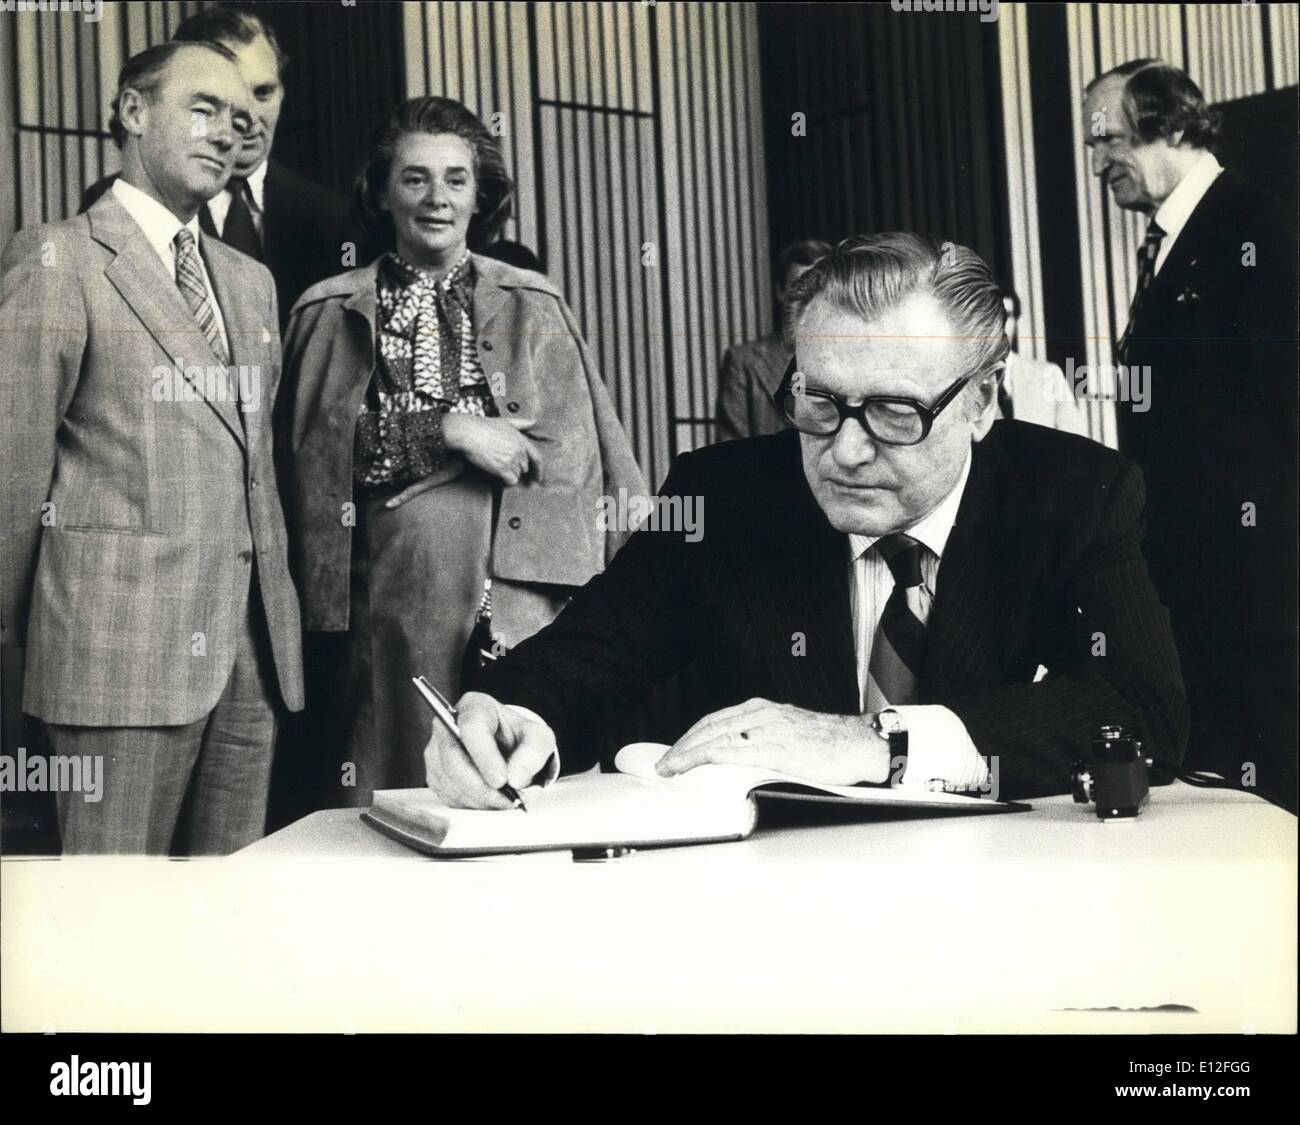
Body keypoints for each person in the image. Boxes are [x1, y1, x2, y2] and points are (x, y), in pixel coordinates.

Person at [422, 233, 1189, 809]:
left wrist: (871, 741)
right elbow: (588, 654)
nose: (844, 452)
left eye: (894, 412)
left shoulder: (1075, 494)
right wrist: (506, 713)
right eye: (818, 403)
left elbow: (1145, 708)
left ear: (982, 401)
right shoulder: (723, 497)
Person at [280, 96, 646, 808]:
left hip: (523, 602)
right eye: (414, 179)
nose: (436, 198)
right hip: (391, 603)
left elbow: (592, 457)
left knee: (520, 796)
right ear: (382, 192)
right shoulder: (326, 308)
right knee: (398, 797)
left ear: (481, 195)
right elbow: (309, 468)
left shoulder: (535, 301)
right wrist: (450, 431)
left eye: (455, 179)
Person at [0, 42, 304, 854]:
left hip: (250, 661)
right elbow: (12, 476)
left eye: (240, 119)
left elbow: (255, 471)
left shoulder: (249, 281)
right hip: (114, 656)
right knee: (111, 926)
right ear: (133, 113)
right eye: (200, 109)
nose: (224, 134)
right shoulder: (58, 259)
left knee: (222, 929)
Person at [1083, 60, 1298, 805]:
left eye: (1108, 138)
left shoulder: (1258, 228)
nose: (1098, 161)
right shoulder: (1173, 238)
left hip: (1255, 587)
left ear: (1172, 126)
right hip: (1202, 576)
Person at [79, 6, 357, 327]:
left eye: (263, 92)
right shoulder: (115, 202)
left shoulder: (331, 216)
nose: (248, 117)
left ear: (283, 92)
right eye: (212, 103)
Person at [714, 238, 832, 442]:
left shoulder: (849, 356)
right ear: (780, 291)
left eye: (819, 285)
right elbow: (731, 448)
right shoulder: (745, 362)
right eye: (799, 285)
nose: (809, 296)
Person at [997, 290, 1092, 439]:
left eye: (1007, 316)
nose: (1001, 325)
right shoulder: (968, 381)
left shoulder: (1049, 376)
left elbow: (1076, 443)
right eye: (994, 316)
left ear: (1016, 320)